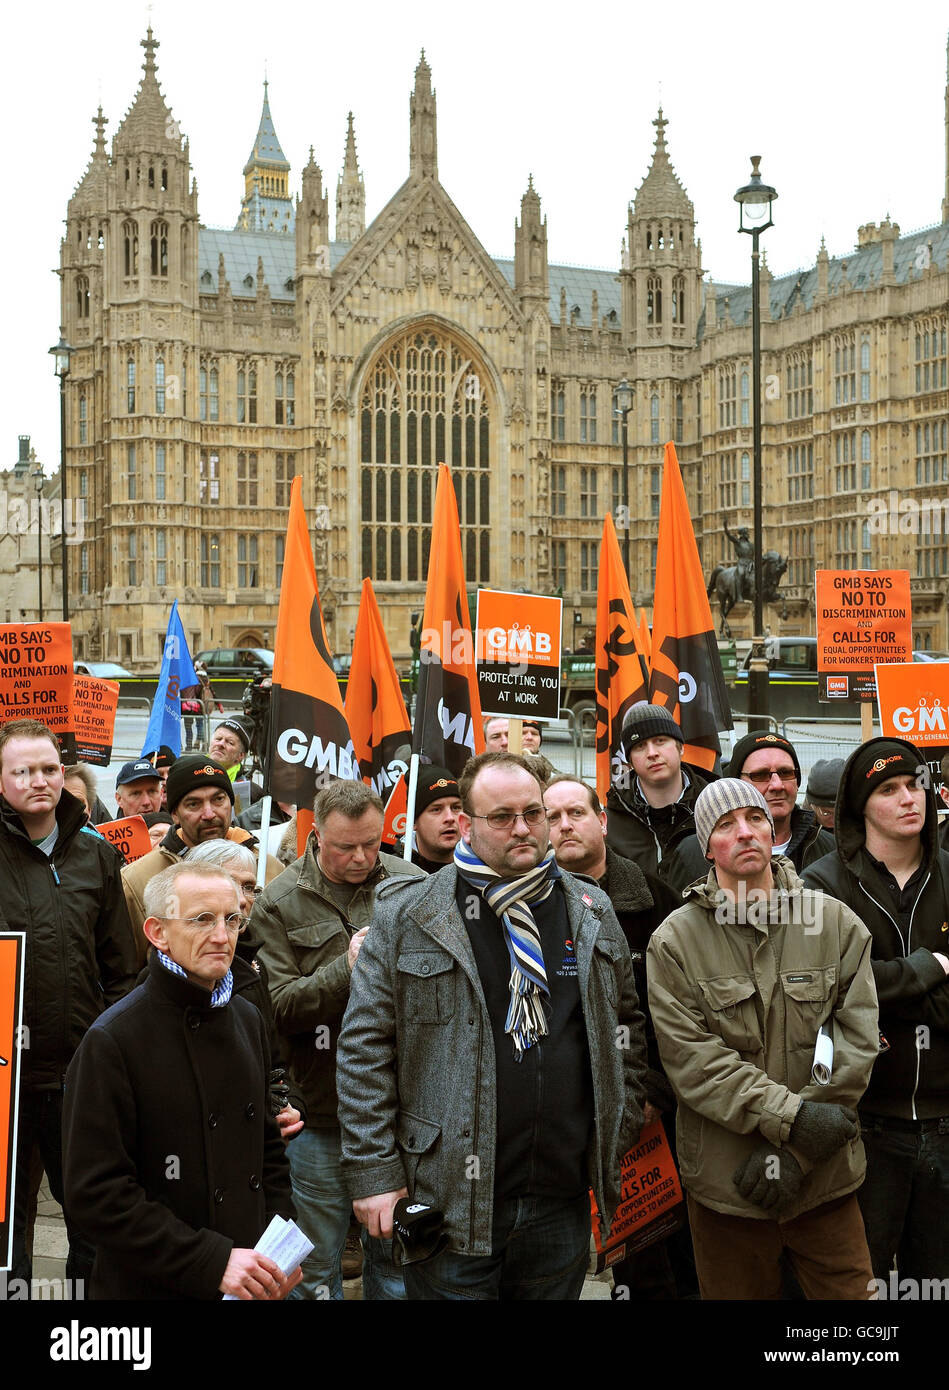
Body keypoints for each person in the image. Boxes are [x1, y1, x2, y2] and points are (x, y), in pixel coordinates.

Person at [336, 751, 647, 1300]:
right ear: (468, 823)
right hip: (452, 1202)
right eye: (502, 817)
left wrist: (614, 1133)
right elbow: (364, 1050)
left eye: (534, 812)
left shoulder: (591, 909)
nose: (523, 828)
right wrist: (376, 1175)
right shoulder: (411, 914)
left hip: (561, 1199)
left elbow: (625, 1030)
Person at [647, 778, 879, 1300]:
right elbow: (695, 1063)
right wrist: (793, 1119)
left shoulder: (834, 922)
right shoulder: (674, 942)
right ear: (707, 847)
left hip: (825, 1182)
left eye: (755, 819)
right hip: (728, 1190)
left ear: (773, 830)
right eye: (726, 825)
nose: (746, 832)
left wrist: (797, 1154)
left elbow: (855, 1040)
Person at [62, 861, 300, 1300]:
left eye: (232, 919)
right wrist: (209, 1261)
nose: (221, 935)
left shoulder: (246, 1017)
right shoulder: (112, 1039)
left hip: (248, 1276)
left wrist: (279, 1248)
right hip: (154, 1284)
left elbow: (268, 1153)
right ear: (157, 932)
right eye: (201, 920)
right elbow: (96, 1194)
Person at [253, 779, 426, 1300]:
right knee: (313, 1267)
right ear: (315, 837)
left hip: (404, 1109)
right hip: (320, 1113)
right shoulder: (279, 902)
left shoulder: (412, 883)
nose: (361, 857)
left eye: (372, 843)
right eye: (345, 846)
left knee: (396, 1266)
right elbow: (277, 1007)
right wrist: (347, 968)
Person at [802, 736, 949, 1285]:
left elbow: (865, 986)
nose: (909, 797)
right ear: (859, 807)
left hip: (945, 1125)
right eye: (889, 789)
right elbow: (831, 992)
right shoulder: (823, 886)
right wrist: (931, 968)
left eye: (915, 784)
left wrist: (886, 985)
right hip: (863, 1126)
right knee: (854, 1287)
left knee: (936, 1282)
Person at [543, 774, 693, 1299]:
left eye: (576, 813)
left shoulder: (657, 901)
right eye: (552, 817)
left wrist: (652, 1091)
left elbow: (683, 1010)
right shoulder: (528, 907)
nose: (565, 825)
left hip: (651, 1112)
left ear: (602, 822)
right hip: (564, 1112)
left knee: (661, 1254)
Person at [0, 718, 137, 1290]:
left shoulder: (95, 856)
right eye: (22, 771)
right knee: (7, 1224)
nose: (40, 781)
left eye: (50, 768)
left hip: (77, 1078)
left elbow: (122, 971)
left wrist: (109, 1059)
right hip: (6, 1083)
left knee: (90, 1215)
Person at [186, 840, 306, 1143]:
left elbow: (273, 1060)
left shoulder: (254, 962)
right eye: (229, 883)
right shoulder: (181, 973)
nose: (241, 899)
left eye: (249, 886)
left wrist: (287, 1106)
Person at [121, 753, 284, 967]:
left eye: (218, 799)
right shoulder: (136, 880)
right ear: (175, 815)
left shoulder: (267, 867)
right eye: (194, 804)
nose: (209, 813)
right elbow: (126, 972)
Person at [673, 731, 835, 884]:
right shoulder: (692, 853)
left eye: (786, 773)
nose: (777, 785)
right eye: (760, 775)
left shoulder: (830, 849)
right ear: (737, 782)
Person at [605, 701, 715, 888]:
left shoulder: (715, 807)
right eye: (640, 746)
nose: (652, 753)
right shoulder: (611, 823)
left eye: (660, 741)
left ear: (680, 748)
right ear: (630, 761)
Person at [408, 764, 463, 871]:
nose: (450, 818)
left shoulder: (483, 867)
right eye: (436, 809)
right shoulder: (395, 874)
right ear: (414, 821)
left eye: (456, 807)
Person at [804, 757, 846, 834]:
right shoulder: (800, 830)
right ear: (812, 806)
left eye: (841, 812)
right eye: (826, 813)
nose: (835, 821)